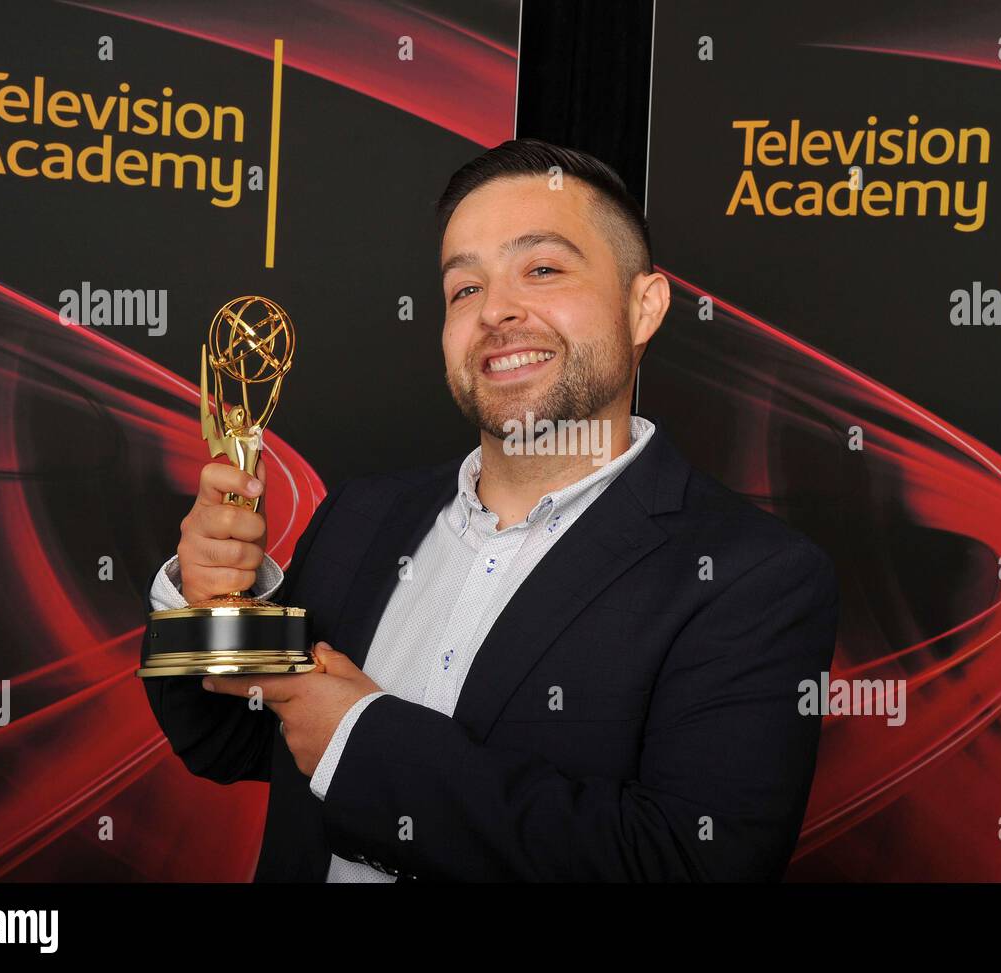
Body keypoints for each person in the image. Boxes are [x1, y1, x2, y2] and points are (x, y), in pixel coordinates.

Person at [143, 138, 839, 881]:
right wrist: (201, 597)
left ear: (644, 307)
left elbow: (685, 863)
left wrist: (361, 739)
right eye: (464, 289)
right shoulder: (360, 518)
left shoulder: (750, 577)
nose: (497, 311)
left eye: (542, 269)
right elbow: (230, 740)